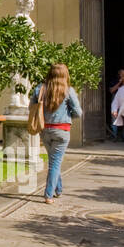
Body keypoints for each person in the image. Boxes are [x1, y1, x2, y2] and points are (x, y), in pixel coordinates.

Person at [30, 62, 82, 204]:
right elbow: (78, 112)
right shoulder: (68, 90)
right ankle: (49, 195)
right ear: (65, 75)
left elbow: (31, 107)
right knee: (55, 162)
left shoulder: (39, 89)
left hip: (44, 129)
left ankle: (58, 189)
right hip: (62, 130)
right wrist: (68, 114)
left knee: (54, 160)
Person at [107, 68, 124, 141]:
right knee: (114, 118)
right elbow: (111, 90)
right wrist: (119, 83)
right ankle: (114, 135)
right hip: (115, 100)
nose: (123, 75)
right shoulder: (114, 81)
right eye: (122, 74)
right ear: (119, 75)